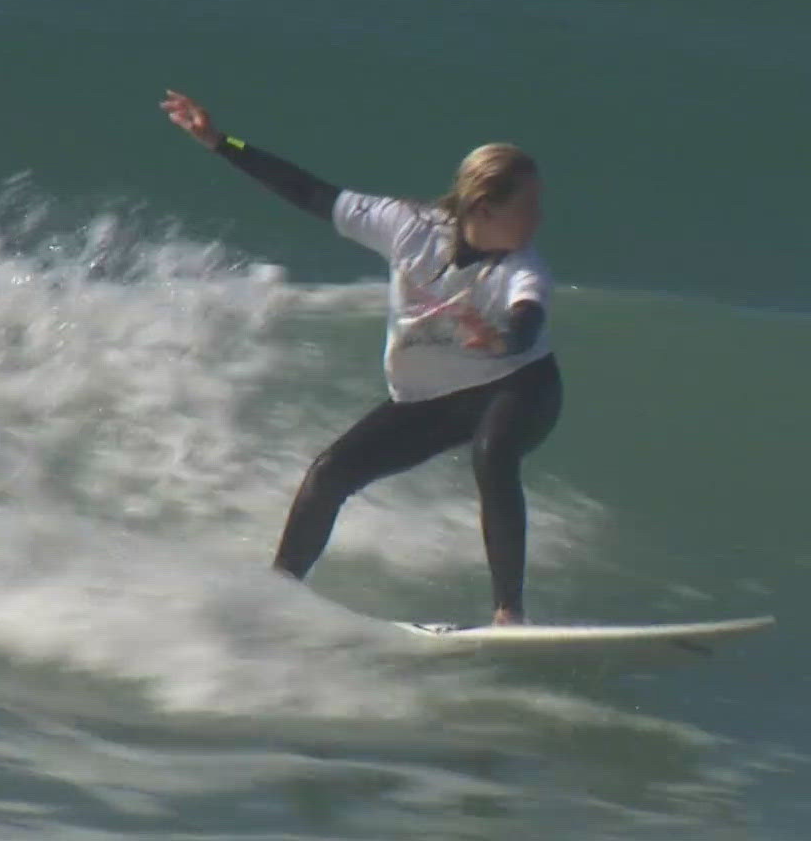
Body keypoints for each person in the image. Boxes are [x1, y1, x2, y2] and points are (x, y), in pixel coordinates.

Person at [159, 90, 561, 626]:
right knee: (329, 472)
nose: (540, 216)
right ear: (484, 208)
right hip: (433, 398)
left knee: (492, 455)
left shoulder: (523, 266)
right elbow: (307, 191)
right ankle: (279, 594)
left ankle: (509, 611)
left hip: (522, 385)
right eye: (528, 205)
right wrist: (219, 141)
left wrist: (500, 339)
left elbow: (527, 318)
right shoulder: (404, 226)